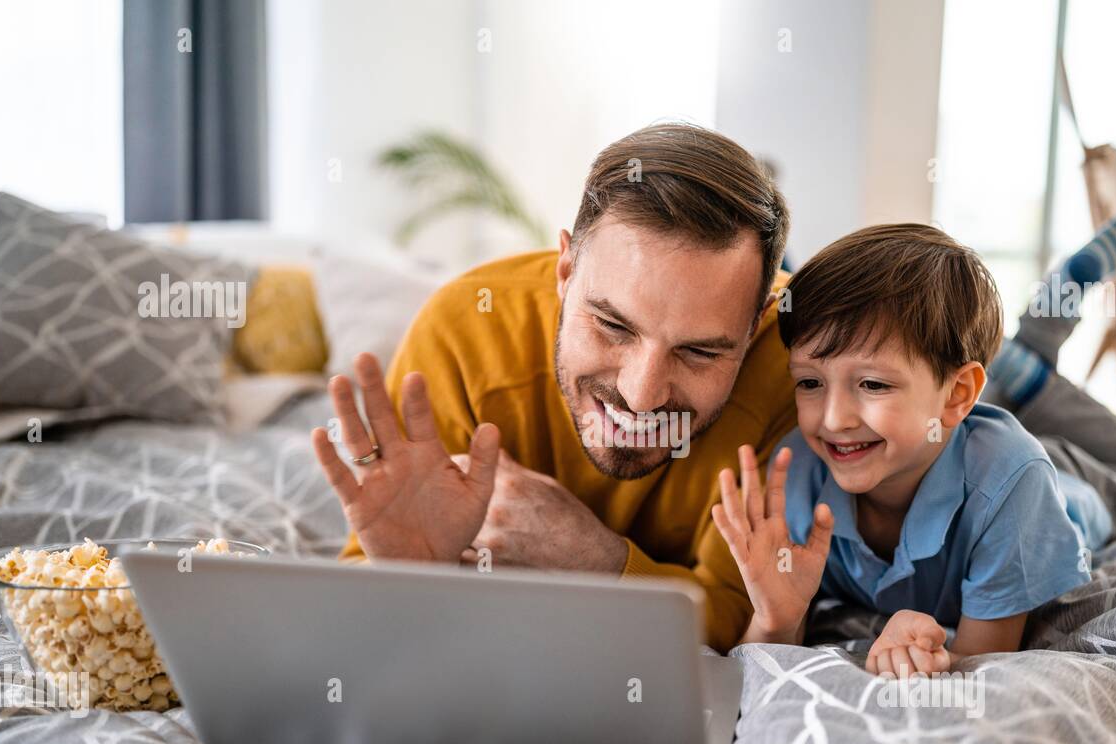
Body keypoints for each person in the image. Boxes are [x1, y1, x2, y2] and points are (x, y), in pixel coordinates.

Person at [311, 122, 797, 652]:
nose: (642, 394)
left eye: (699, 351)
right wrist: (416, 579)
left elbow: (745, 612)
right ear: (565, 269)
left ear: (755, 325)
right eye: (613, 326)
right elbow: (376, 574)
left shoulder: (800, 363)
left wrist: (597, 562)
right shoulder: (463, 331)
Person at [710, 214, 1116, 677]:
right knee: (965, 419)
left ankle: (1048, 334)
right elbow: (761, 654)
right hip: (960, 435)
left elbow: (988, 662)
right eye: (809, 382)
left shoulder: (1013, 485)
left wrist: (925, 647)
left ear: (957, 395)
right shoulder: (798, 477)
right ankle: (1036, 342)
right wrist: (778, 617)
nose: (832, 418)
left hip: (1069, 486)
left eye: (872, 384)